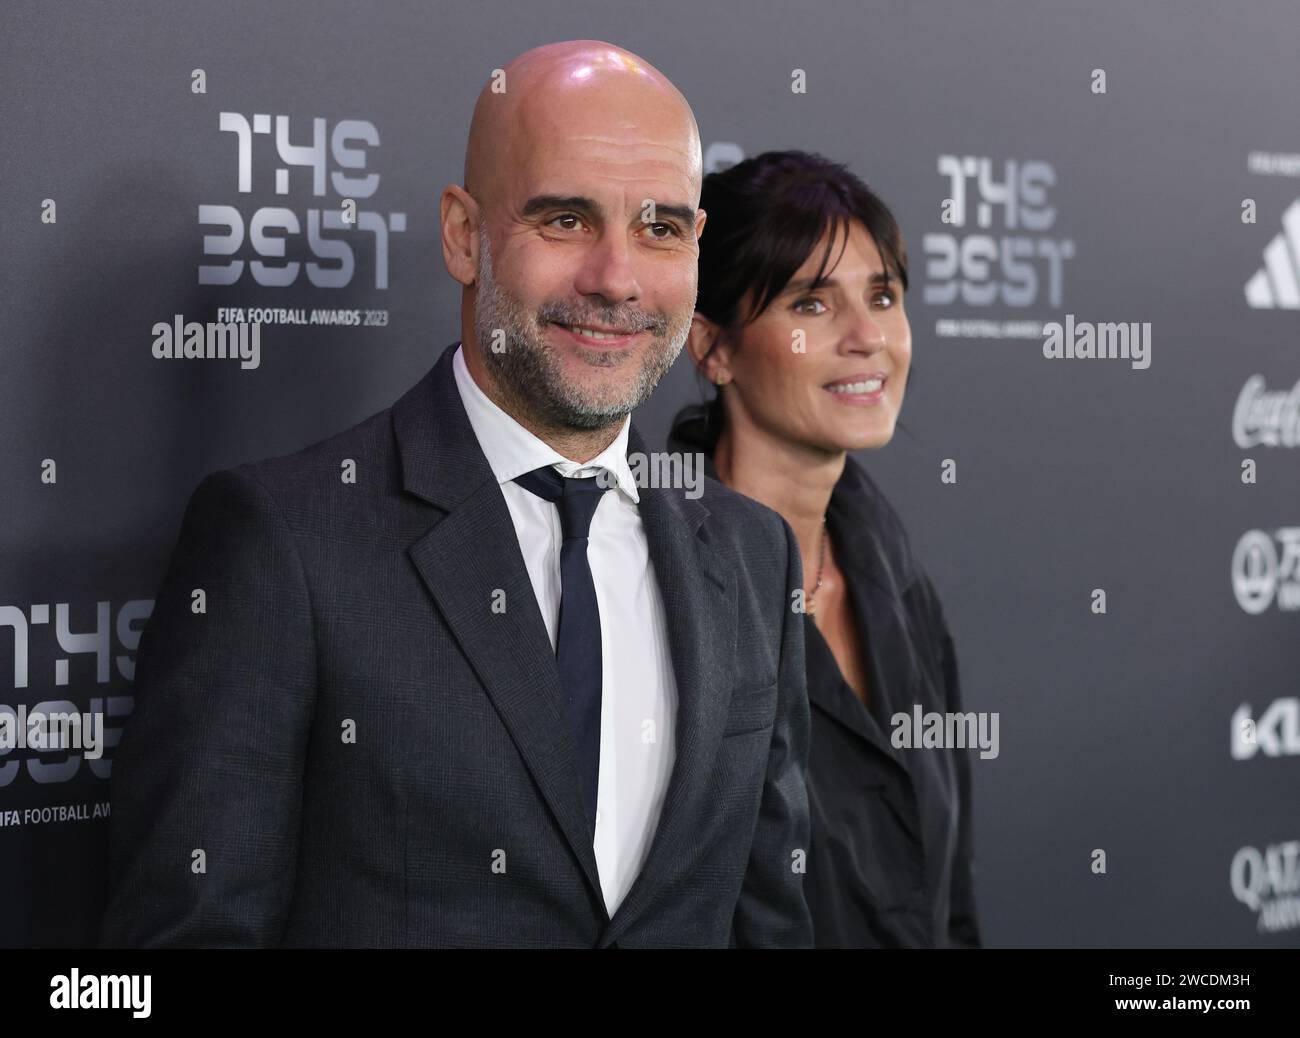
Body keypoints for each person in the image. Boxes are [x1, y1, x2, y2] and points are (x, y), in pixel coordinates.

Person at [100, 42, 813, 949]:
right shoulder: (287, 542)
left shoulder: (753, 552)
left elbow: (771, 924)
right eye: (565, 219)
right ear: (462, 234)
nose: (618, 278)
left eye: (660, 228)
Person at [668, 150, 980, 947]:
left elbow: (949, 907)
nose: (867, 337)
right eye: (811, 303)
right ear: (713, 348)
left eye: (882, 295)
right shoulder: (661, 599)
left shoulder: (895, 579)